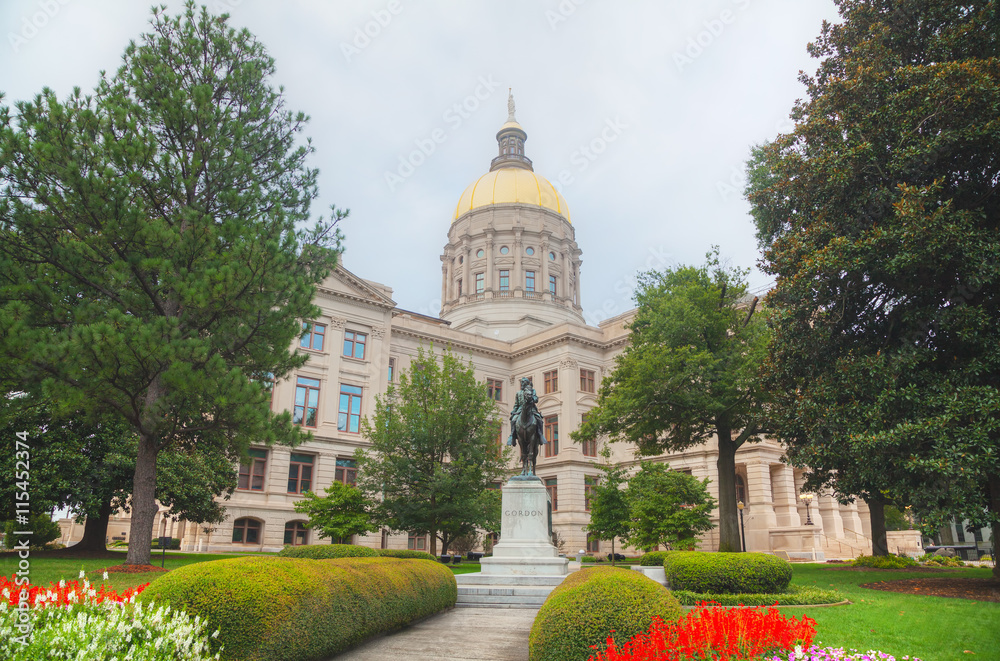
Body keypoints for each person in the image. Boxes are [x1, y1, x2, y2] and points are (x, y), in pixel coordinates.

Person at [507, 377, 546, 446]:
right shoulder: (518, 393)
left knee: (539, 419)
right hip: (520, 410)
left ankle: (540, 435)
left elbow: (536, 399)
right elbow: (516, 404)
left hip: (531, 409)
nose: (522, 383)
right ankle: (512, 436)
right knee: (513, 420)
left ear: (526, 383)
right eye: (521, 382)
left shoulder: (532, 390)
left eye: (523, 382)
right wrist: (513, 411)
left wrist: (532, 398)